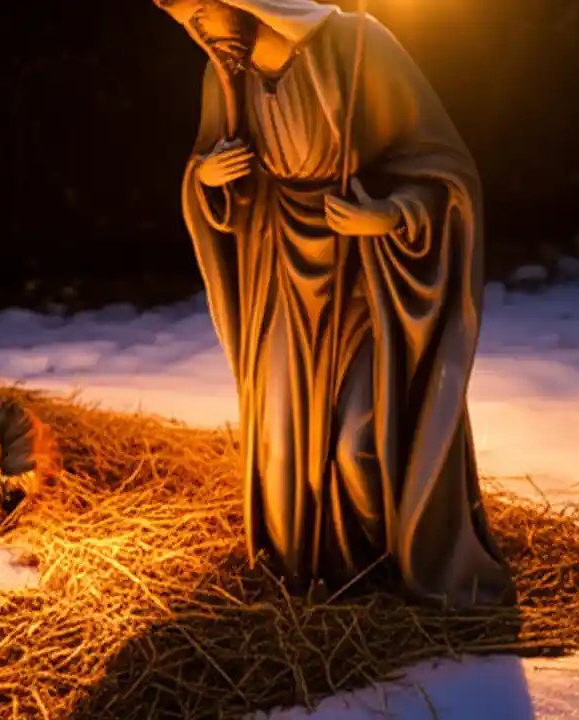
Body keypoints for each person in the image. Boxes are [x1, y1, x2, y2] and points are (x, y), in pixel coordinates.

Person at [153, 0, 514, 606]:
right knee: (280, 443)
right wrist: (208, 180)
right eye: (188, 22)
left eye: (201, 14)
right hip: (279, 277)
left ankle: (376, 571)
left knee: (359, 441)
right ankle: (313, 569)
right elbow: (210, 171)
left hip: (361, 283)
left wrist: (387, 216)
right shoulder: (222, 76)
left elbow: (445, 175)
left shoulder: (359, 49)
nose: (198, 33)